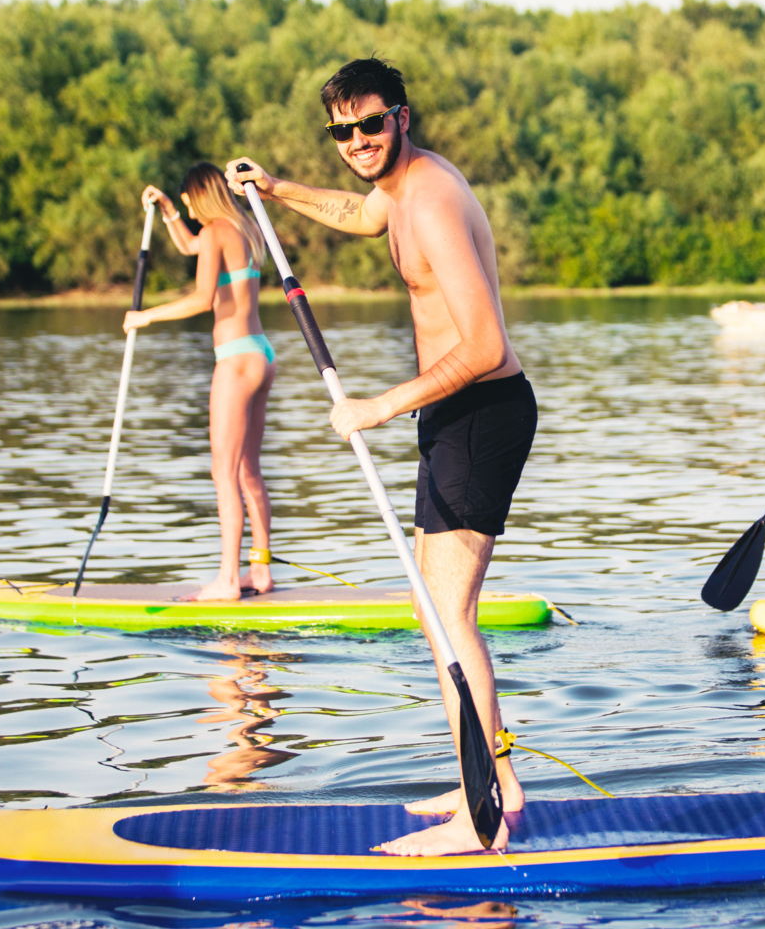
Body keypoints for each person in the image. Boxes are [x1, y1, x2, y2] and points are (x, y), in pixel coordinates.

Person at [229, 57, 536, 857]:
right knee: (432, 613)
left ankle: (484, 817)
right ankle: (494, 784)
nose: (357, 142)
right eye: (342, 131)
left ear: (403, 116)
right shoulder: (396, 191)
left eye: (370, 124)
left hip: (481, 414)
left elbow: (487, 346)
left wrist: (376, 406)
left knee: (448, 615)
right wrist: (277, 189)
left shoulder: (431, 199)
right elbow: (362, 216)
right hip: (450, 414)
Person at [124, 163, 277, 601]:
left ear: (200, 195)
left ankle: (228, 580)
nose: (189, 211)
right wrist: (168, 210)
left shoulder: (215, 230)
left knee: (222, 472)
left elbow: (201, 298)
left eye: (187, 202)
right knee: (248, 471)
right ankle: (259, 571)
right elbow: (193, 245)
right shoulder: (242, 226)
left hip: (234, 361)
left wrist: (145, 316)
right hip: (262, 353)